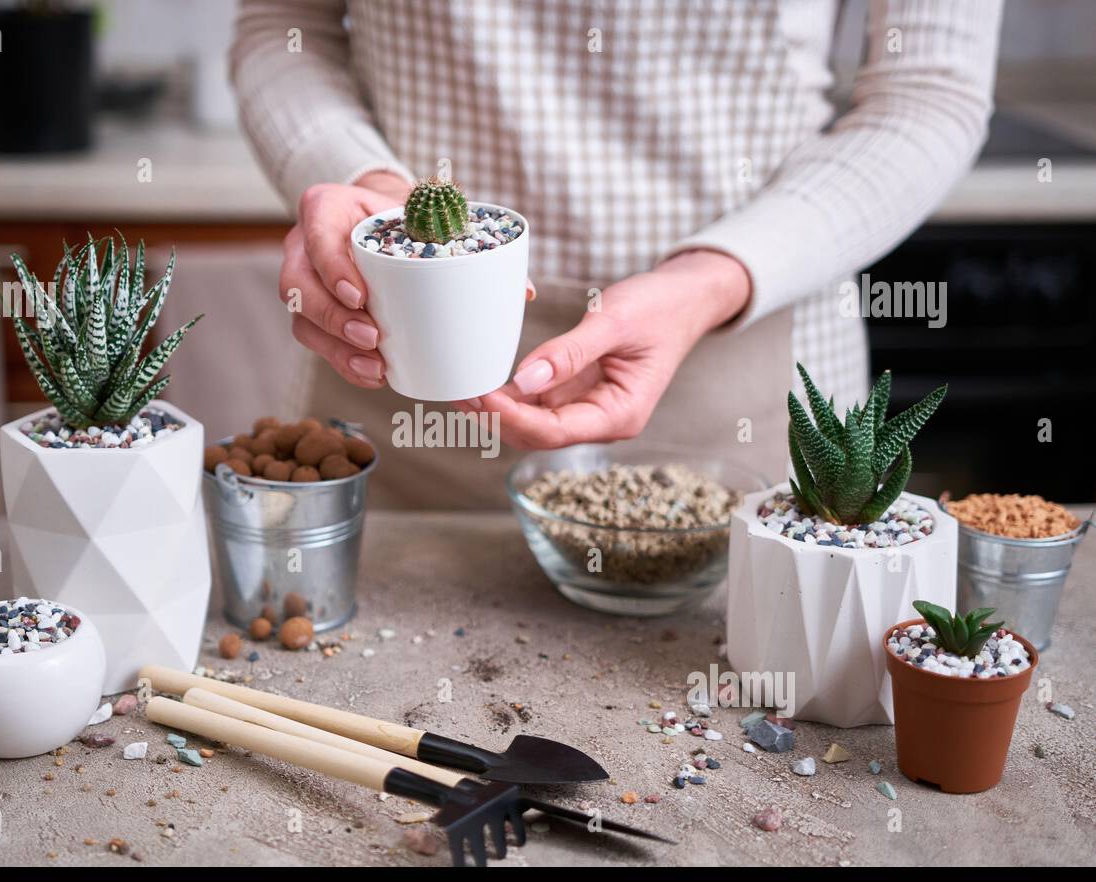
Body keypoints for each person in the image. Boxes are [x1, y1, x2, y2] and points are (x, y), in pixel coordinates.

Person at [231, 1, 1001, 508]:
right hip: (408, 389)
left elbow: (929, 89)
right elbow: (282, 29)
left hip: (750, 370)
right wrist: (355, 181)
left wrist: (710, 279)